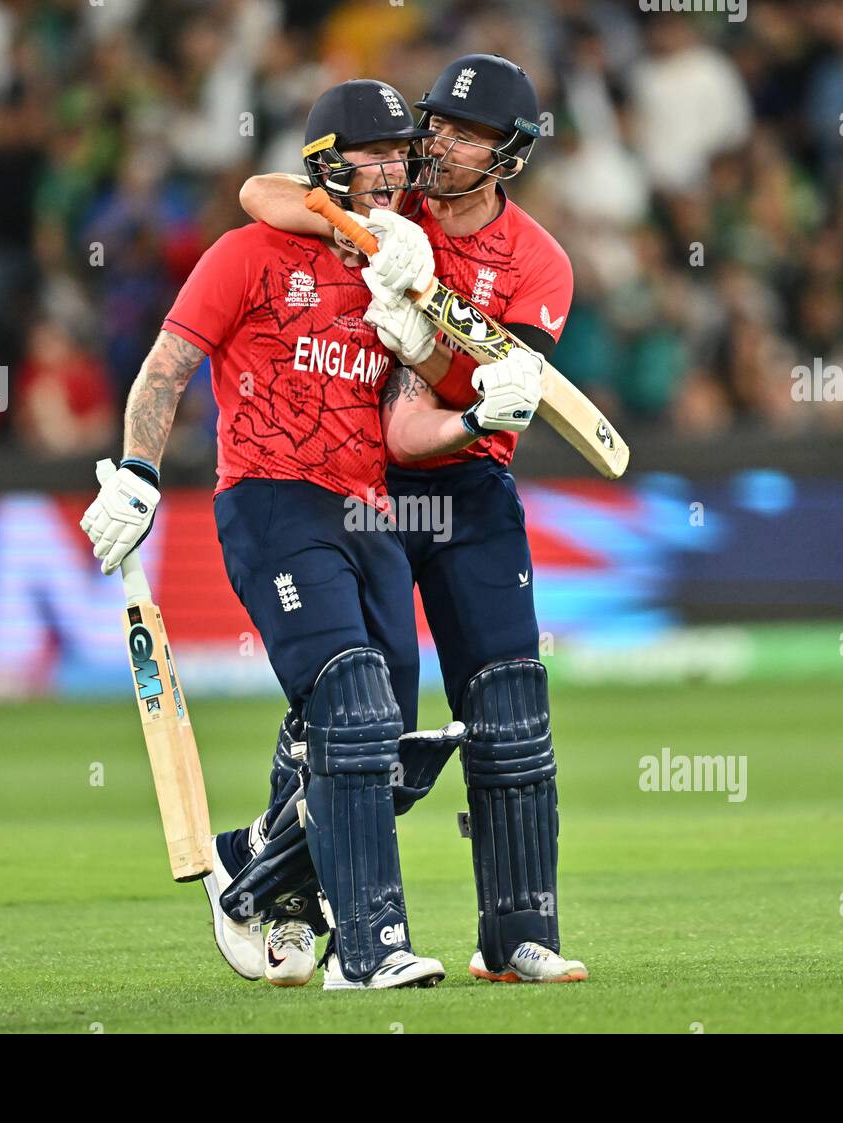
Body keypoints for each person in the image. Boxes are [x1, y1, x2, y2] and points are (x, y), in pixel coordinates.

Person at [80, 79, 536, 990]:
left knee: (395, 752)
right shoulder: (248, 252)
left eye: (403, 152)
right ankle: (370, 951)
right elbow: (166, 369)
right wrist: (136, 471)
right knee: (353, 708)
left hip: (370, 511)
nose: (396, 167)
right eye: (375, 153)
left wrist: (474, 392)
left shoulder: (401, 261)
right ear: (329, 159)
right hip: (272, 500)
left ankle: (249, 867)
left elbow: (421, 404)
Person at [218, 55, 588, 986]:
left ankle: (516, 935)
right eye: (435, 125)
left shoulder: (540, 263)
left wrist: (479, 397)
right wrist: (350, 224)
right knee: (361, 722)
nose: (438, 145)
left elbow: (469, 407)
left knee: (508, 710)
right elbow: (263, 189)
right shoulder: (396, 207)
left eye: (463, 134)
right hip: (367, 482)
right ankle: (277, 879)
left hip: (467, 489)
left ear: (508, 155)